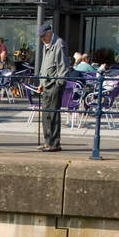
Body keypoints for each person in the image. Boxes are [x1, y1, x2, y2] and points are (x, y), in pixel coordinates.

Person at [36, 22, 68, 152]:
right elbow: (45, 65)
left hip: (54, 84)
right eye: (41, 37)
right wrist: (41, 83)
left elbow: (63, 65)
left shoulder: (58, 44)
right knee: (45, 114)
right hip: (46, 84)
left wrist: (59, 83)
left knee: (53, 114)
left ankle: (54, 143)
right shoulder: (46, 45)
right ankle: (47, 141)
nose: (42, 39)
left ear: (49, 32)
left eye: (44, 36)